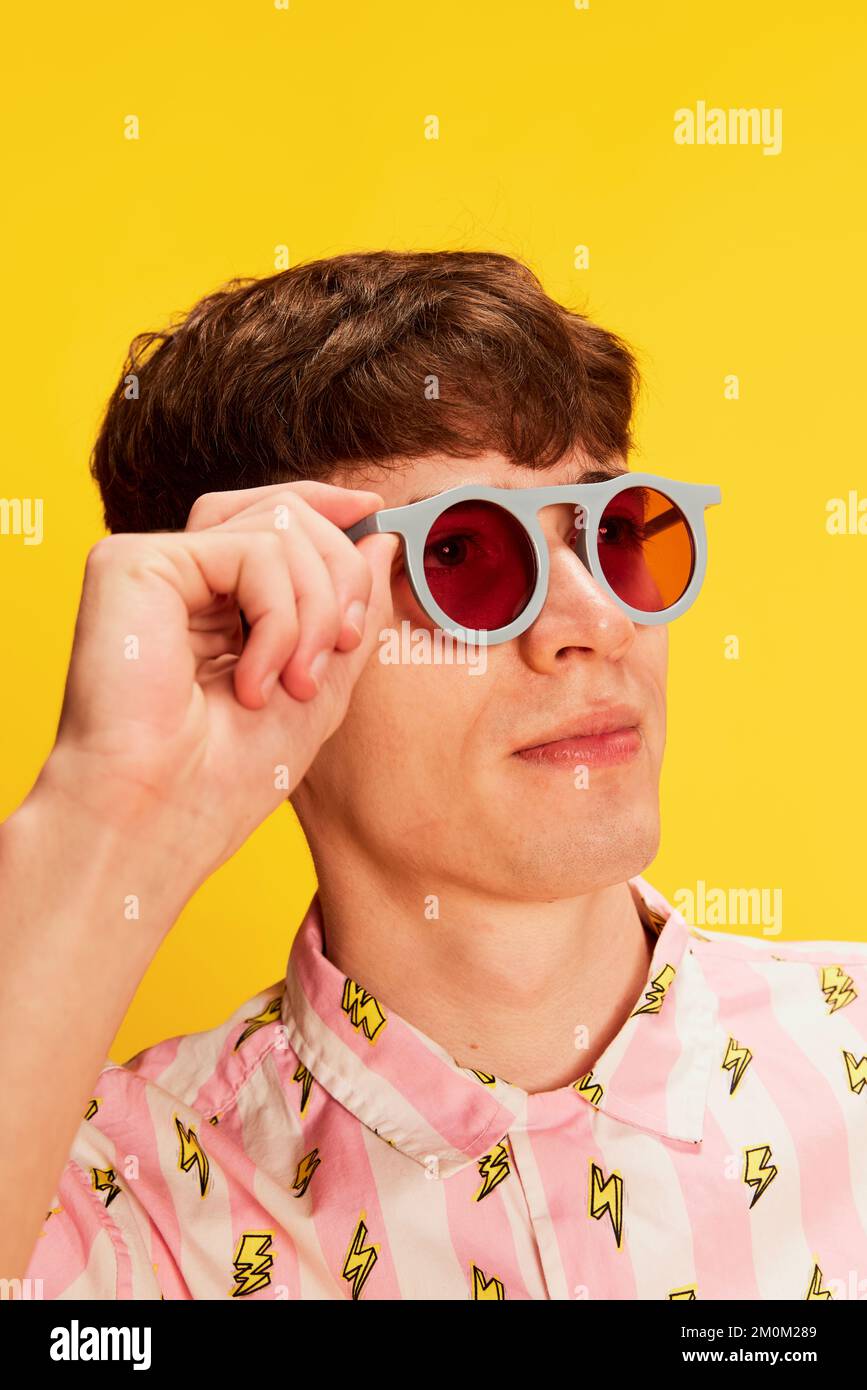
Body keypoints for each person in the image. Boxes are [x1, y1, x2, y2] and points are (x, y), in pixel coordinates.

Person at [3, 250, 867, 1302]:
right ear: (247, 634)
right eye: (462, 554)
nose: (598, 623)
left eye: (615, 530)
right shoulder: (109, 1195)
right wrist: (104, 814)